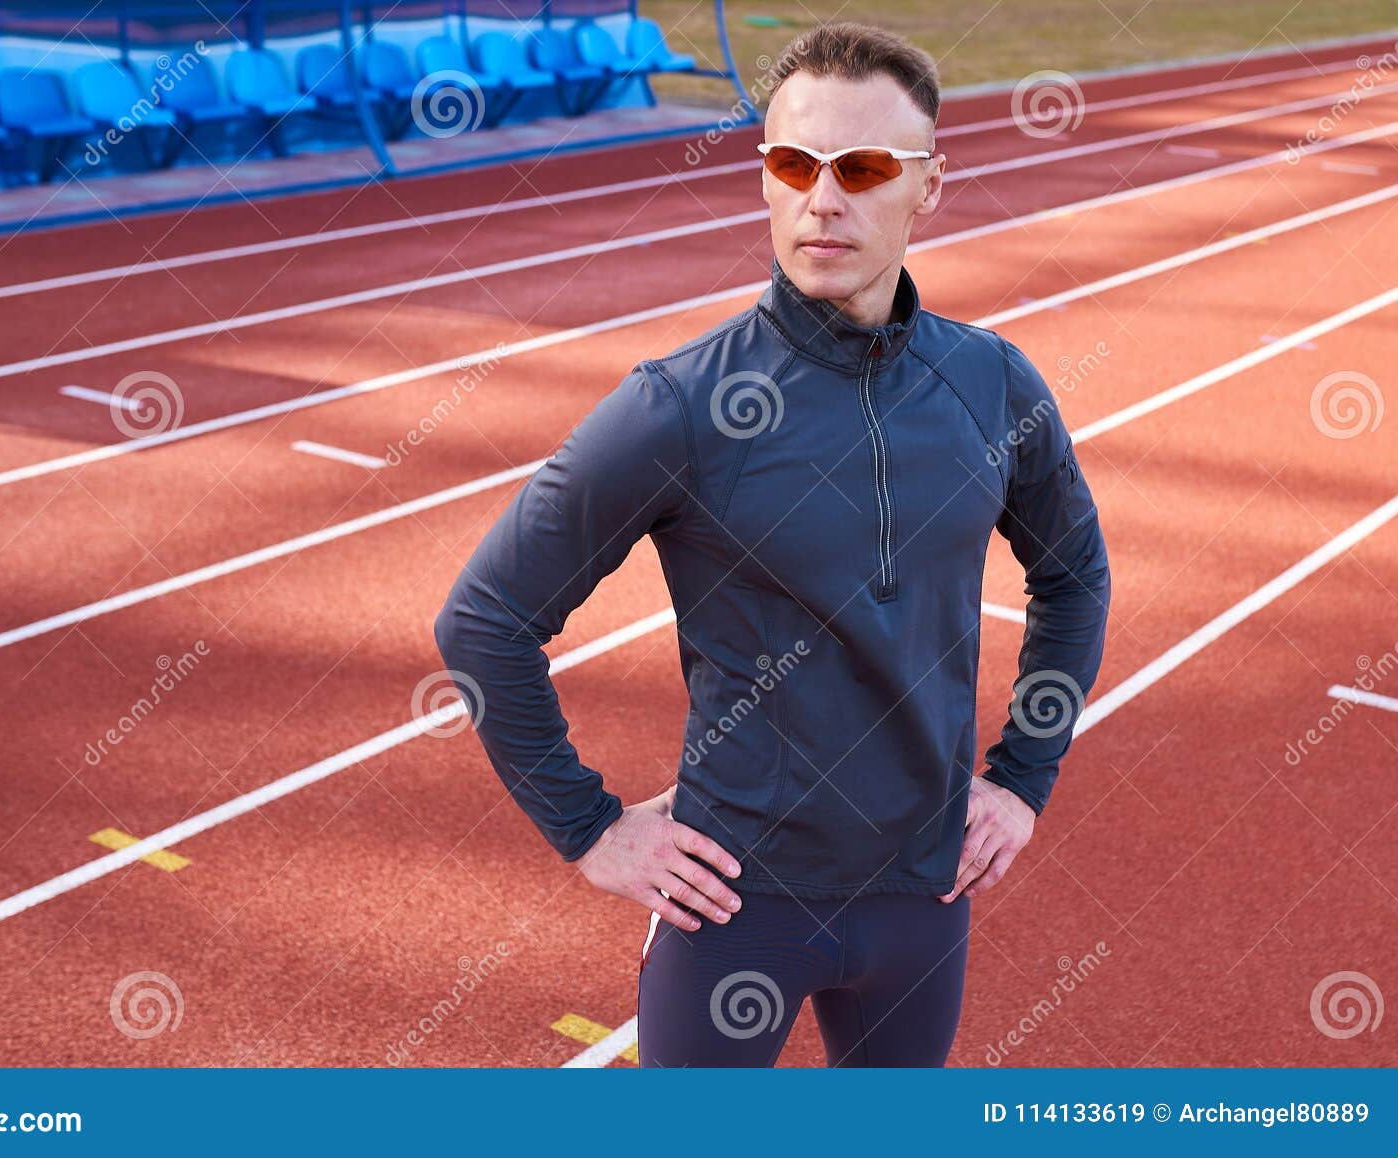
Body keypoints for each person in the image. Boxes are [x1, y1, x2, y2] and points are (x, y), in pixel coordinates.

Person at [433, 21, 1111, 1067]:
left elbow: (1072, 576)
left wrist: (1024, 777)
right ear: (764, 177)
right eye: (793, 164)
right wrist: (589, 828)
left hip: (921, 901)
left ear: (927, 186)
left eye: (864, 167)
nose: (822, 198)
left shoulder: (992, 385)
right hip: (734, 905)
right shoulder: (681, 407)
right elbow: (484, 619)